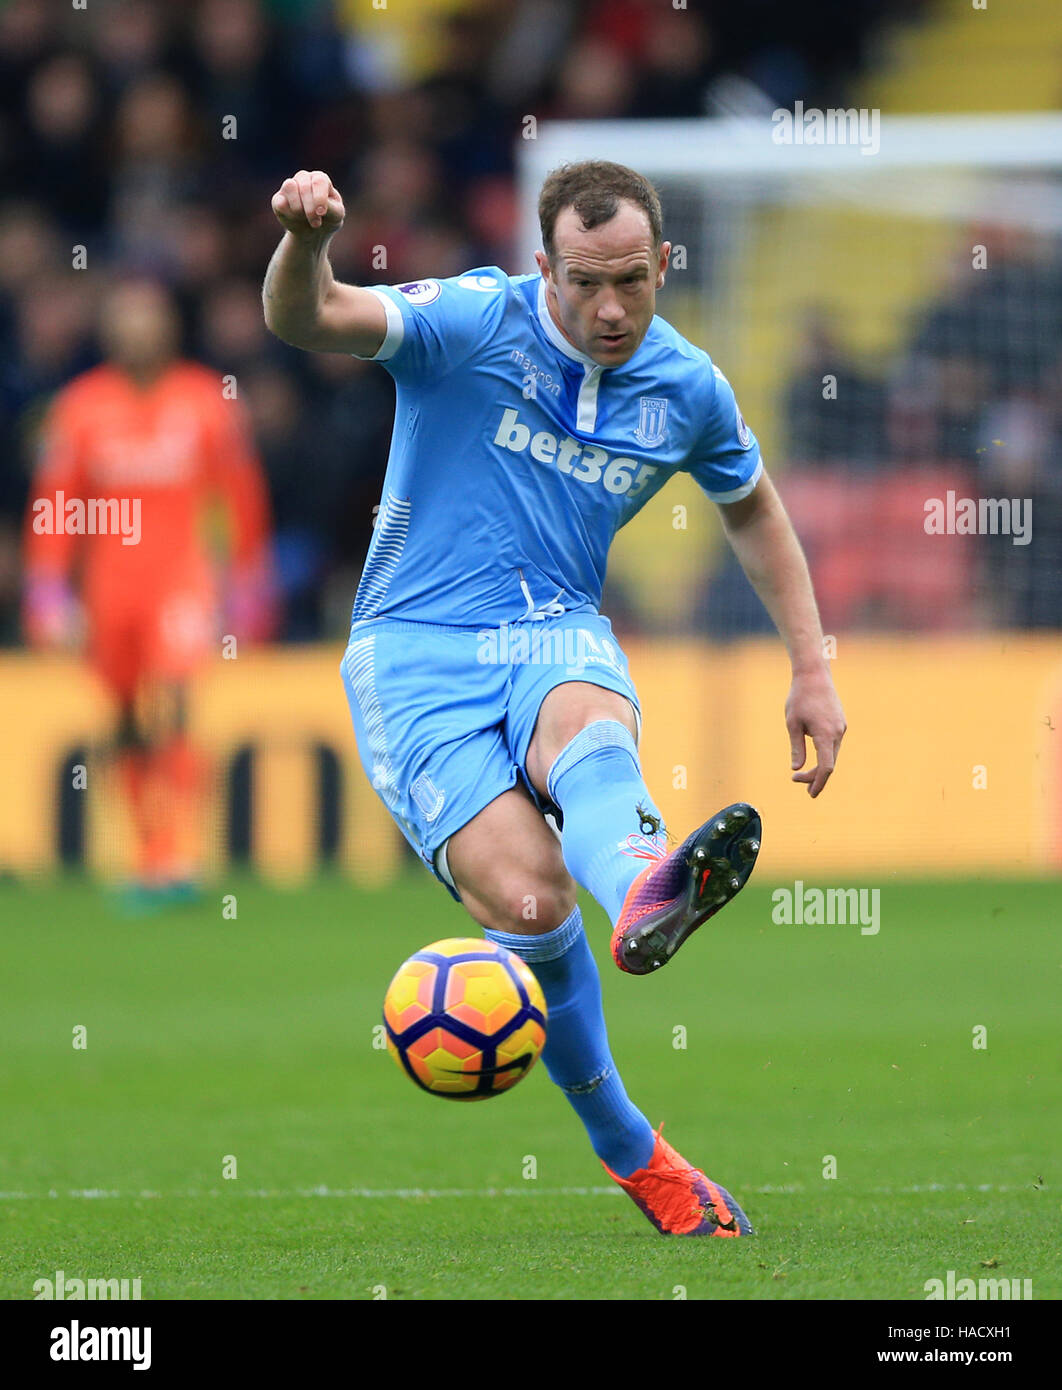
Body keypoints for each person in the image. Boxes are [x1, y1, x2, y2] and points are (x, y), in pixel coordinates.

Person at [263, 160, 846, 1238]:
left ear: (665, 263)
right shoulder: (473, 322)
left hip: (553, 627)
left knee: (586, 714)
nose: (611, 307)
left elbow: (754, 507)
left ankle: (642, 891)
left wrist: (812, 666)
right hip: (411, 653)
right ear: (544, 269)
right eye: (585, 284)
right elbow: (312, 318)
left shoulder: (688, 388)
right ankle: (633, 1148)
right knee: (530, 904)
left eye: (632, 279)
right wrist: (307, 242)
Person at [23, 278, 274, 903]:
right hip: (109, 592)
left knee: (175, 707)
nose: (138, 330)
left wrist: (247, 579)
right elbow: (56, 505)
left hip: (181, 583)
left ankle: (178, 856)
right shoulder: (80, 407)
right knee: (125, 723)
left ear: (168, 326)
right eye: (126, 318)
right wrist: (47, 589)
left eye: (148, 318)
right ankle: (145, 852)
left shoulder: (207, 401)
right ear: (110, 329)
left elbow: (239, 496)